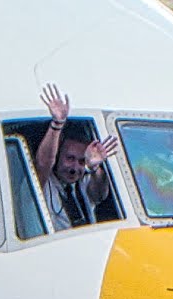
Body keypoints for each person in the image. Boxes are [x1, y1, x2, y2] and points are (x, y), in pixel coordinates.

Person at [34, 83, 119, 231]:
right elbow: (43, 164)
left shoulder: (83, 182)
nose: (74, 168)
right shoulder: (44, 183)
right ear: (58, 155)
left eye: (81, 161)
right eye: (70, 158)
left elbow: (100, 194)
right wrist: (57, 124)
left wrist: (94, 167)